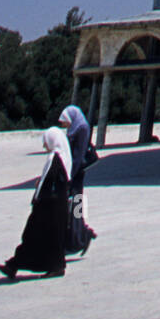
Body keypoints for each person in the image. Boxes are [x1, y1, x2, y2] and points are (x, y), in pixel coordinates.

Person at [0, 128, 71, 280]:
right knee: (48, 236)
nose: (44, 146)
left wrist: (37, 197)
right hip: (60, 202)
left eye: (46, 142)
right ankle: (15, 265)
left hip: (51, 205)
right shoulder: (63, 156)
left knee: (35, 235)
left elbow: (48, 182)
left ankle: (15, 265)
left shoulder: (55, 157)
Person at [58, 105, 97, 256]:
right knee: (75, 206)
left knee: (76, 205)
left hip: (76, 174)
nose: (63, 125)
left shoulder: (82, 128)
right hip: (73, 173)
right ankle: (83, 233)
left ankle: (80, 235)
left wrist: (69, 176)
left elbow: (78, 156)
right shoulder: (75, 127)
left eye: (64, 122)